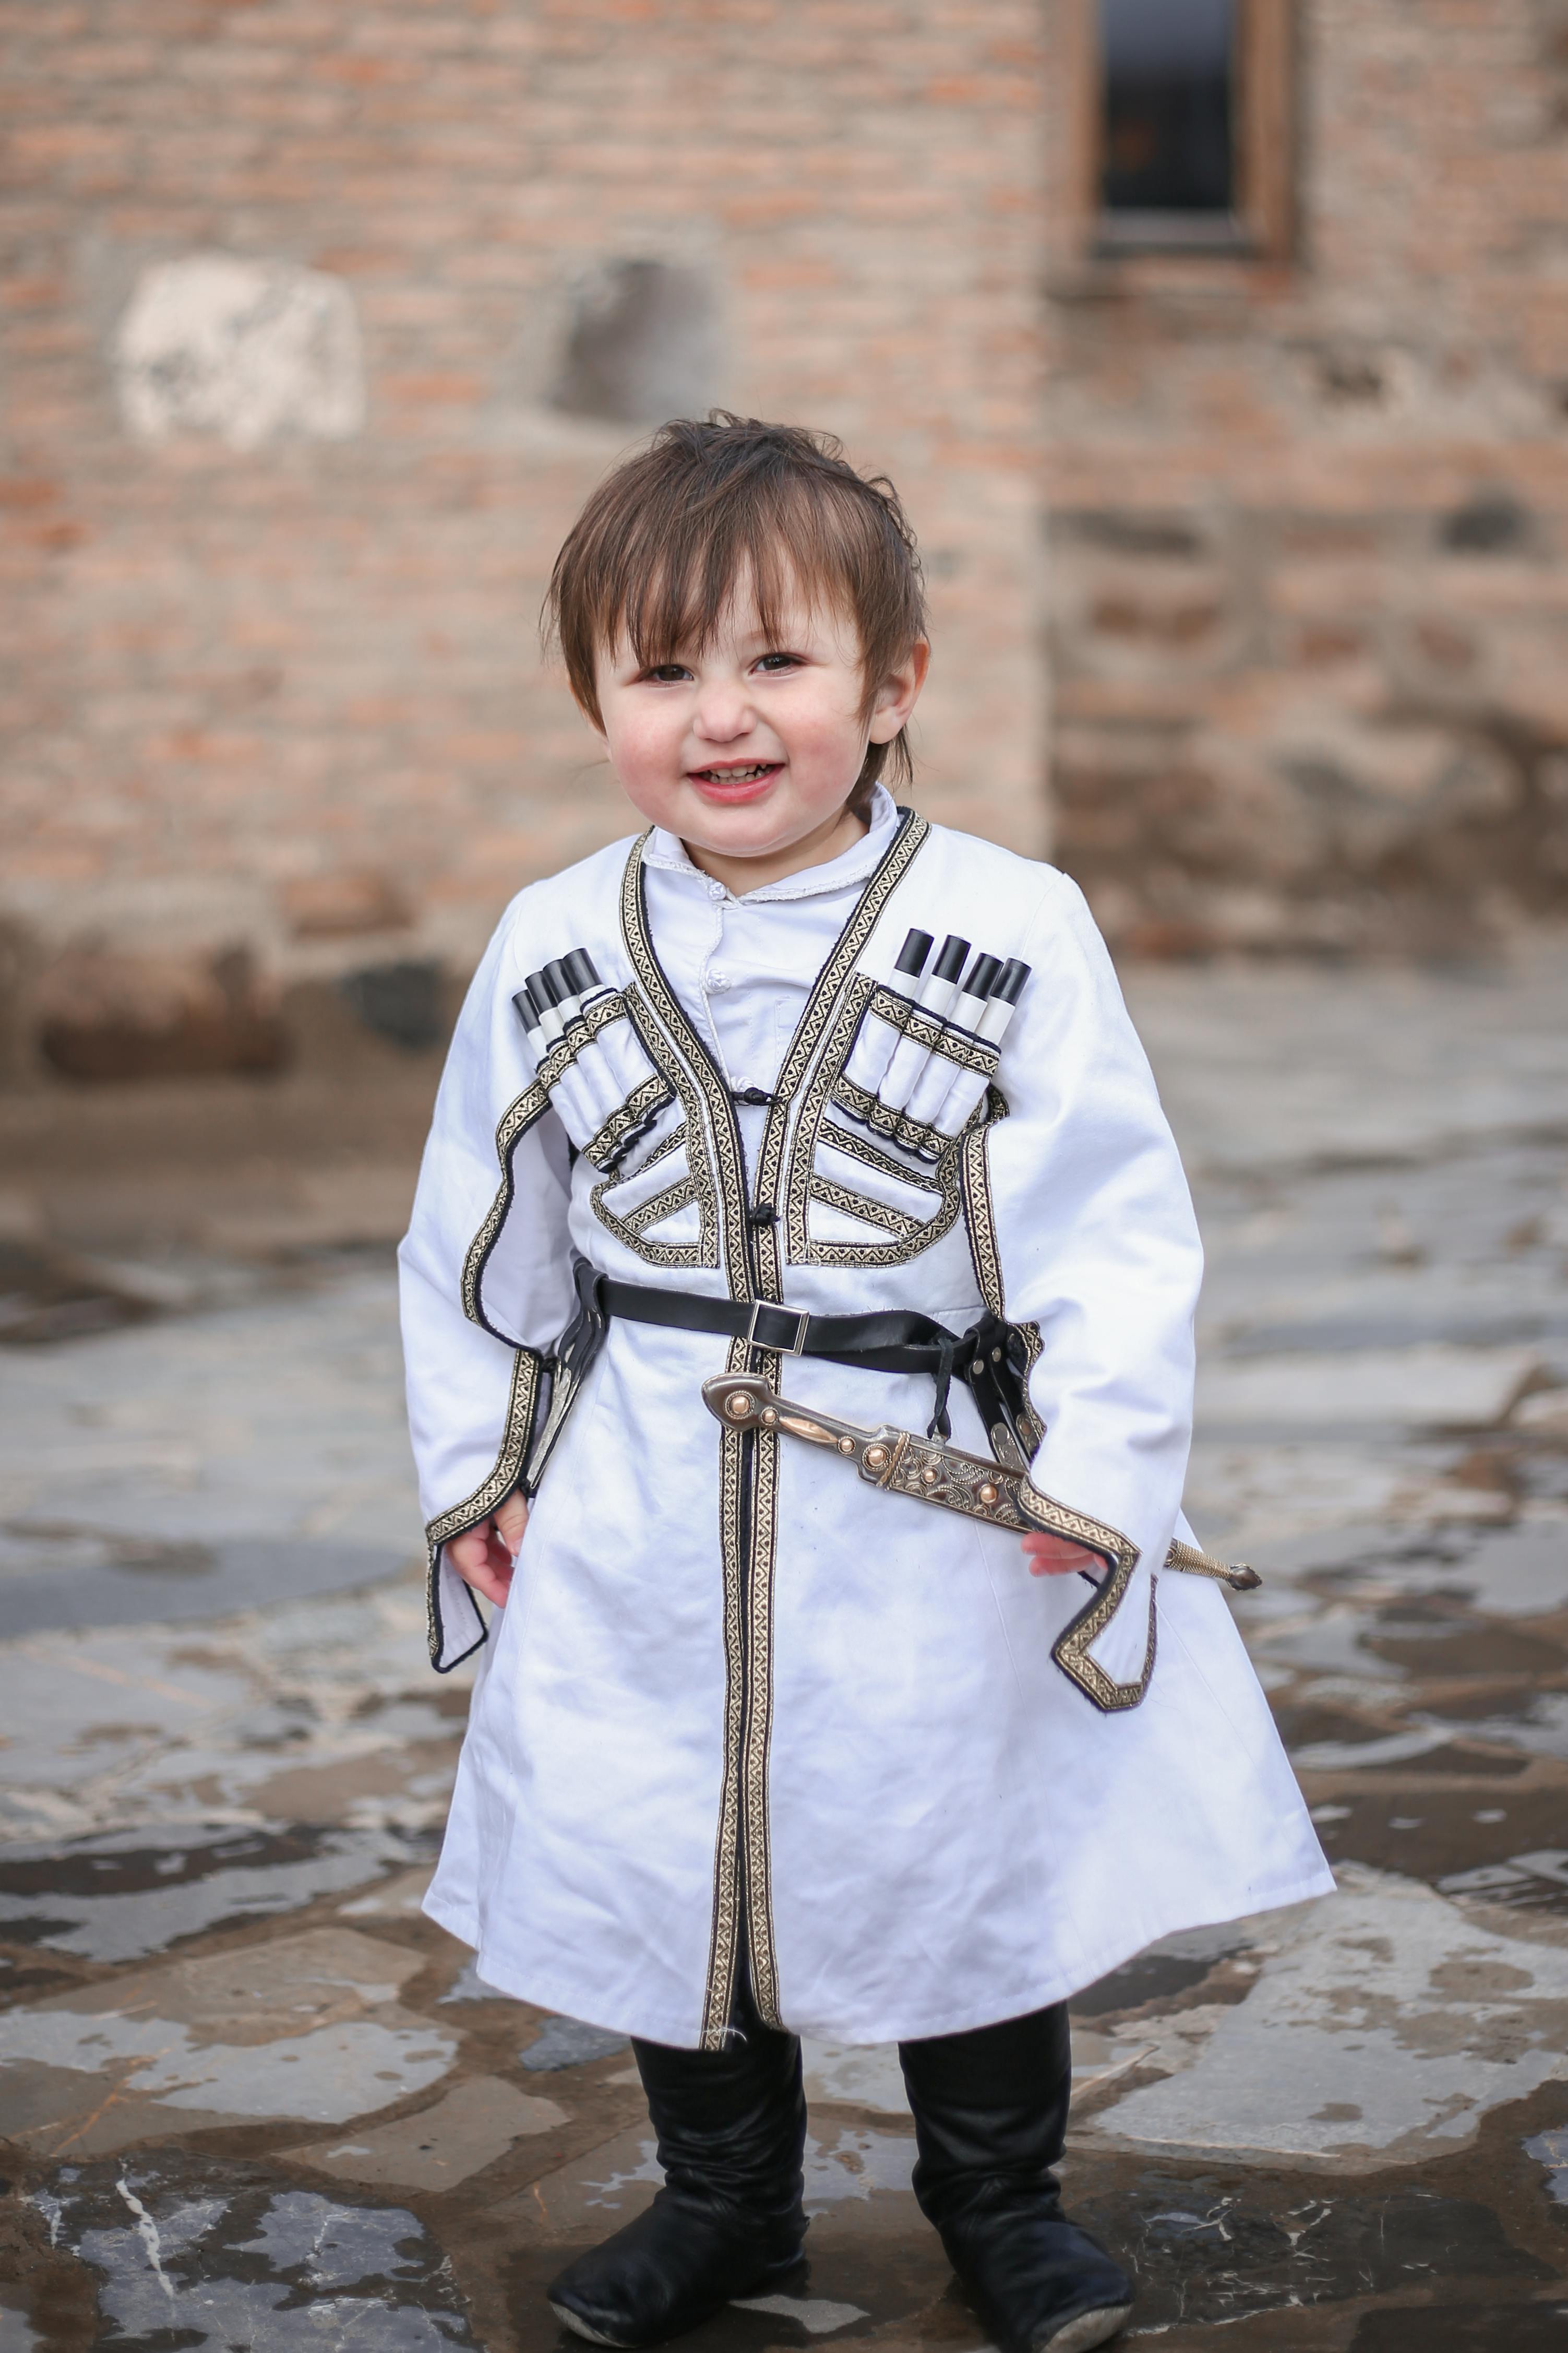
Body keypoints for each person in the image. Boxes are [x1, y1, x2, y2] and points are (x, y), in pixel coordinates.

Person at [398, 415, 1333, 2353]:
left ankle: (1001, 2207)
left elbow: (1111, 1227)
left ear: (891, 683)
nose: (722, 719)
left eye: (777, 661)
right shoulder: (553, 941)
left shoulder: (1014, 924)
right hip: (644, 1478)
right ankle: (727, 2205)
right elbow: (486, 1236)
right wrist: (484, 1474)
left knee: (952, 1831)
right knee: (680, 1839)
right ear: (594, 696)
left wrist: (1101, 1481)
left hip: (929, 1493)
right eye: (664, 671)